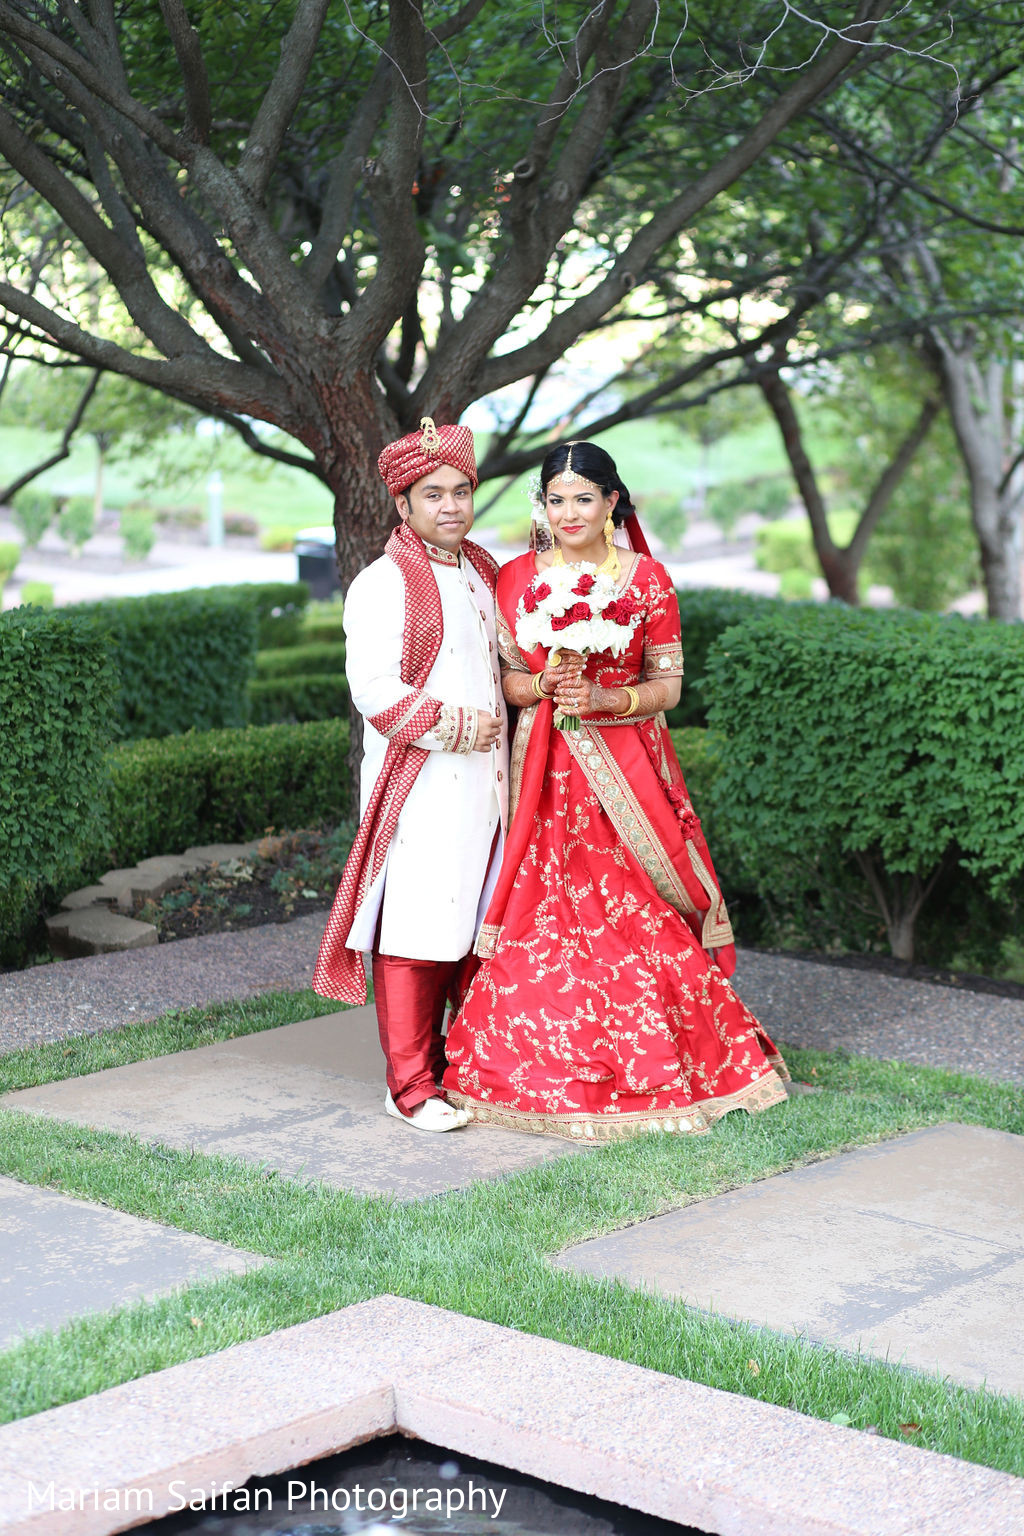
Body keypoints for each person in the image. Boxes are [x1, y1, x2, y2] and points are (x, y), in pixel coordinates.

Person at [442, 440, 788, 1140]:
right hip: (543, 772)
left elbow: (670, 687)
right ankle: (538, 1069)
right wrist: (542, 685)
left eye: (584, 498)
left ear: (612, 502)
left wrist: (609, 698)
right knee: (547, 914)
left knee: (636, 907)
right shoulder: (513, 579)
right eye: (556, 498)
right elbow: (505, 681)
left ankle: (662, 1064)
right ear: (541, 505)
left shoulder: (647, 580)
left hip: (627, 770)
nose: (570, 512)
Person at [313, 417, 507, 1133]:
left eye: (461, 491)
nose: (451, 506)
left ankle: (456, 1067)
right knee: (417, 931)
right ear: (403, 504)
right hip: (420, 785)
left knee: (473, 928)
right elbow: (374, 689)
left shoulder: (485, 574)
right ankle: (409, 1086)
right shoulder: (384, 582)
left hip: (489, 790)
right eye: (434, 495)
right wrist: (458, 726)